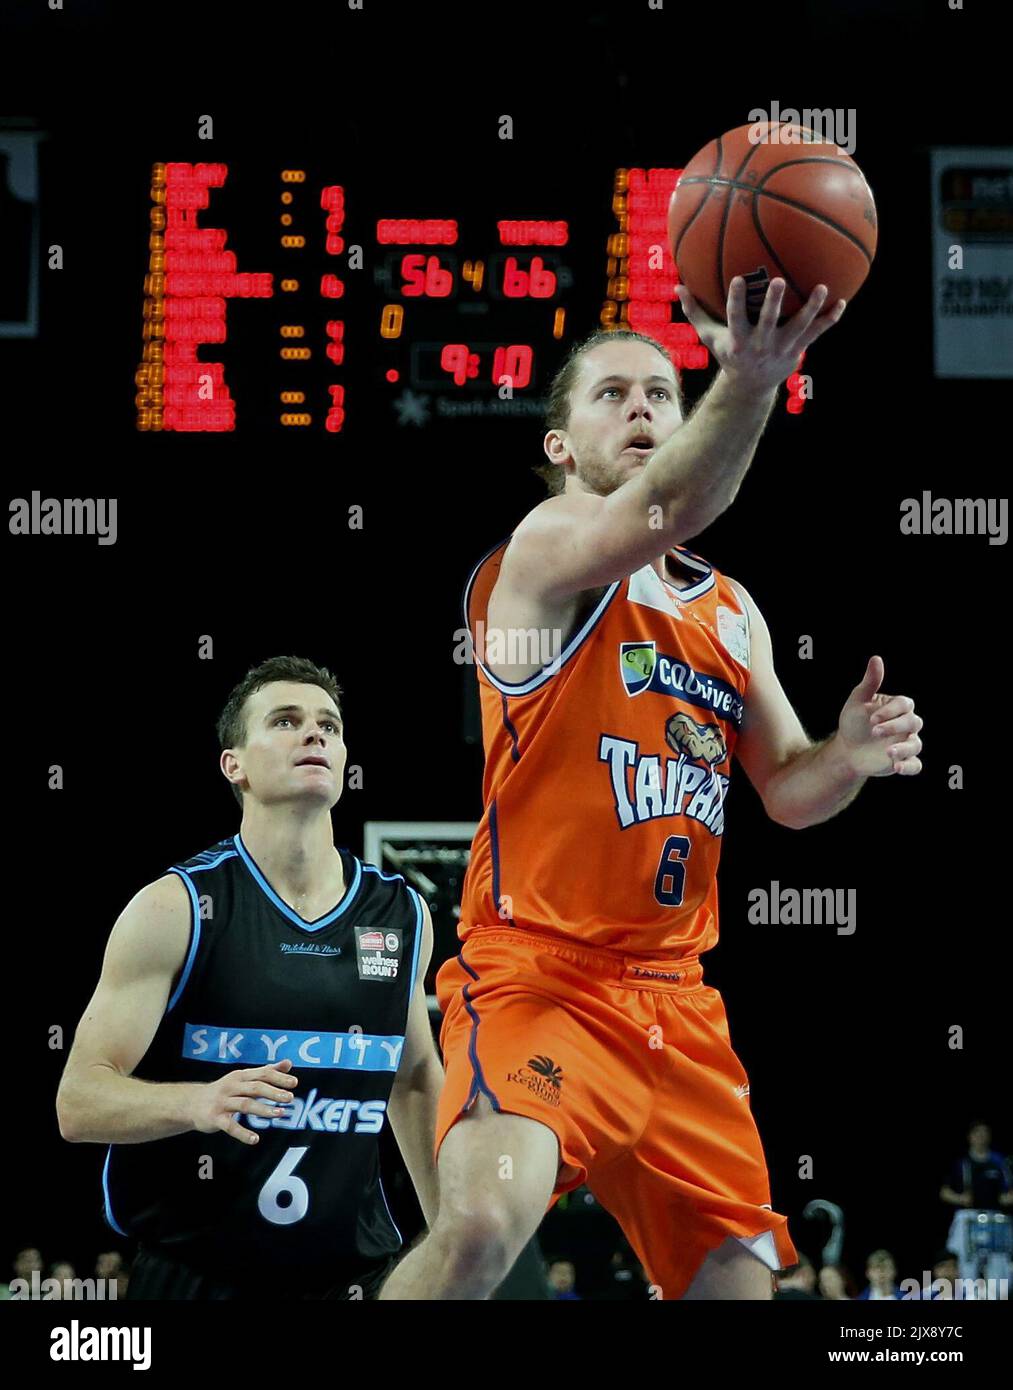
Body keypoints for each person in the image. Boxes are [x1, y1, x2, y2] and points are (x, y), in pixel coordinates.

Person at [380, 277, 924, 1301]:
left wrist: (844, 754)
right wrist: (751, 380)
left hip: (678, 1005)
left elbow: (787, 793)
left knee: (736, 1287)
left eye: (661, 395)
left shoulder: (729, 612)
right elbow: (675, 500)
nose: (641, 409)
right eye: (612, 395)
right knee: (482, 1226)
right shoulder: (539, 557)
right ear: (557, 445)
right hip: (538, 980)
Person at [56, 656, 445, 1300]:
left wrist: (451, 1235)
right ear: (232, 764)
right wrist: (194, 1101)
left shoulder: (403, 914)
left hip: (352, 1277)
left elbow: (413, 1077)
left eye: (329, 724)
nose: (313, 734)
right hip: (197, 1278)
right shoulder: (176, 907)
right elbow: (78, 1102)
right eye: (286, 721)